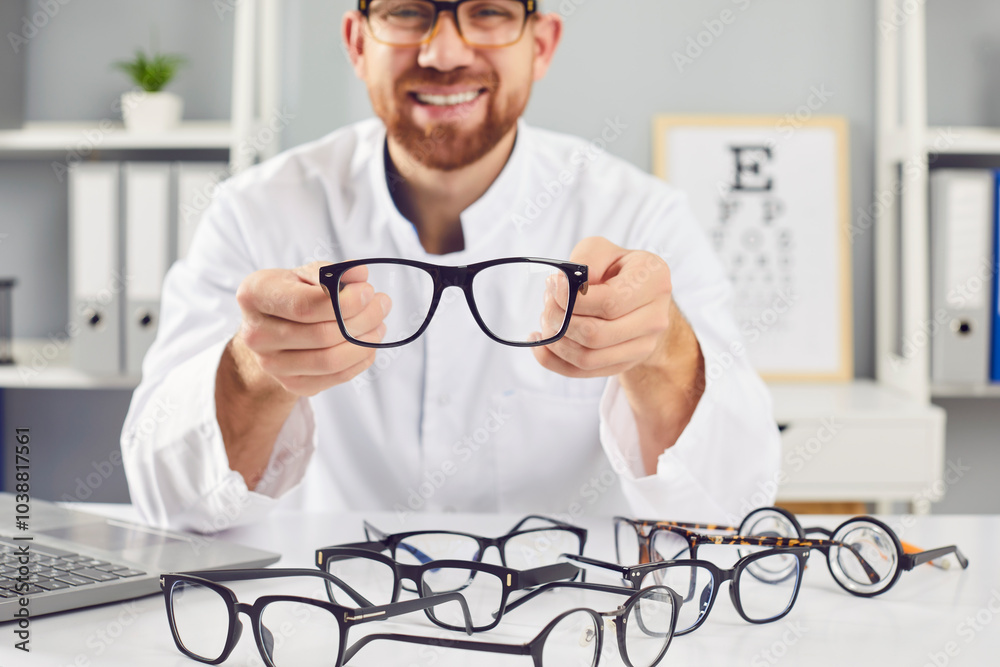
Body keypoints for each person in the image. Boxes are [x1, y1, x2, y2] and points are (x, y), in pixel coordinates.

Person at [121, 0, 780, 533]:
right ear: (356, 41)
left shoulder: (643, 216)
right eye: (408, 12)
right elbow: (164, 497)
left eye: (488, 12)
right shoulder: (254, 212)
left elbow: (732, 507)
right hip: (319, 623)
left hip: (572, 627)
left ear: (542, 44)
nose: (442, 52)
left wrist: (661, 350)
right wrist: (251, 369)